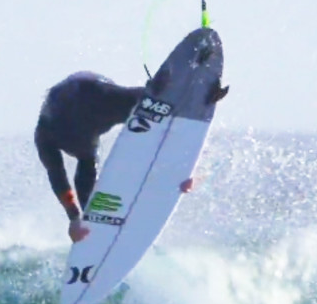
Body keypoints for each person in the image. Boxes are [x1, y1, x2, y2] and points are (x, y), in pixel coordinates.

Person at [34, 71, 227, 242]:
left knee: (150, 104)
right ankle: (96, 230)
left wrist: (74, 217)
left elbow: (58, 178)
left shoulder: (97, 103)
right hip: (75, 106)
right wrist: (75, 217)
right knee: (88, 195)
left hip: (85, 91)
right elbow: (57, 176)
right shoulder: (47, 138)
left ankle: (199, 92)